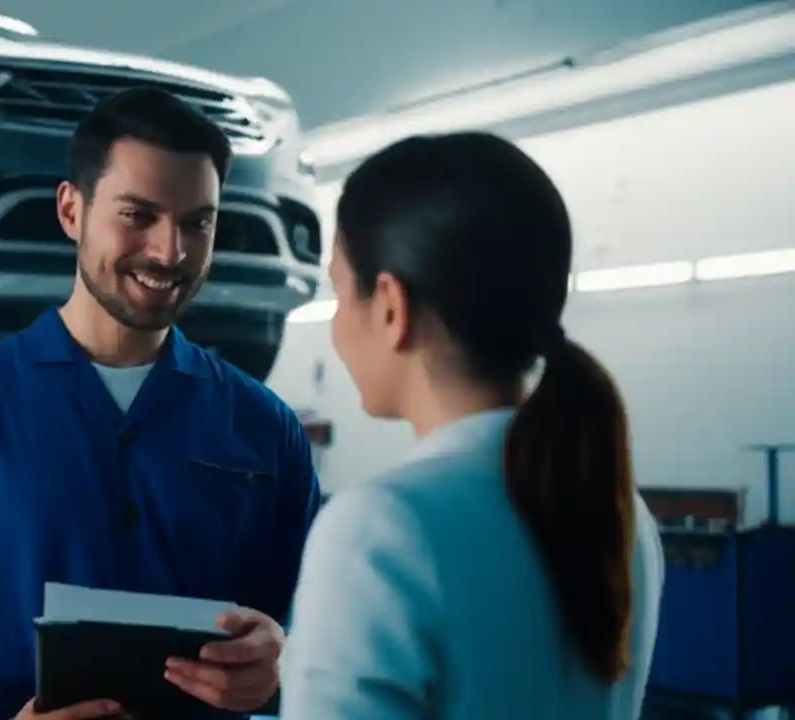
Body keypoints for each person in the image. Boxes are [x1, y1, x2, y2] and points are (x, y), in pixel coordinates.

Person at [0, 87, 322, 720]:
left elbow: (317, 615)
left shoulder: (264, 427)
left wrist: (280, 664)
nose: (170, 252)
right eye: (138, 215)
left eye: (197, 223)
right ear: (72, 210)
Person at [279, 132, 665, 719]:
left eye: (339, 292)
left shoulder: (378, 527)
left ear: (390, 306)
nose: (336, 325)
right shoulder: (619, 514)